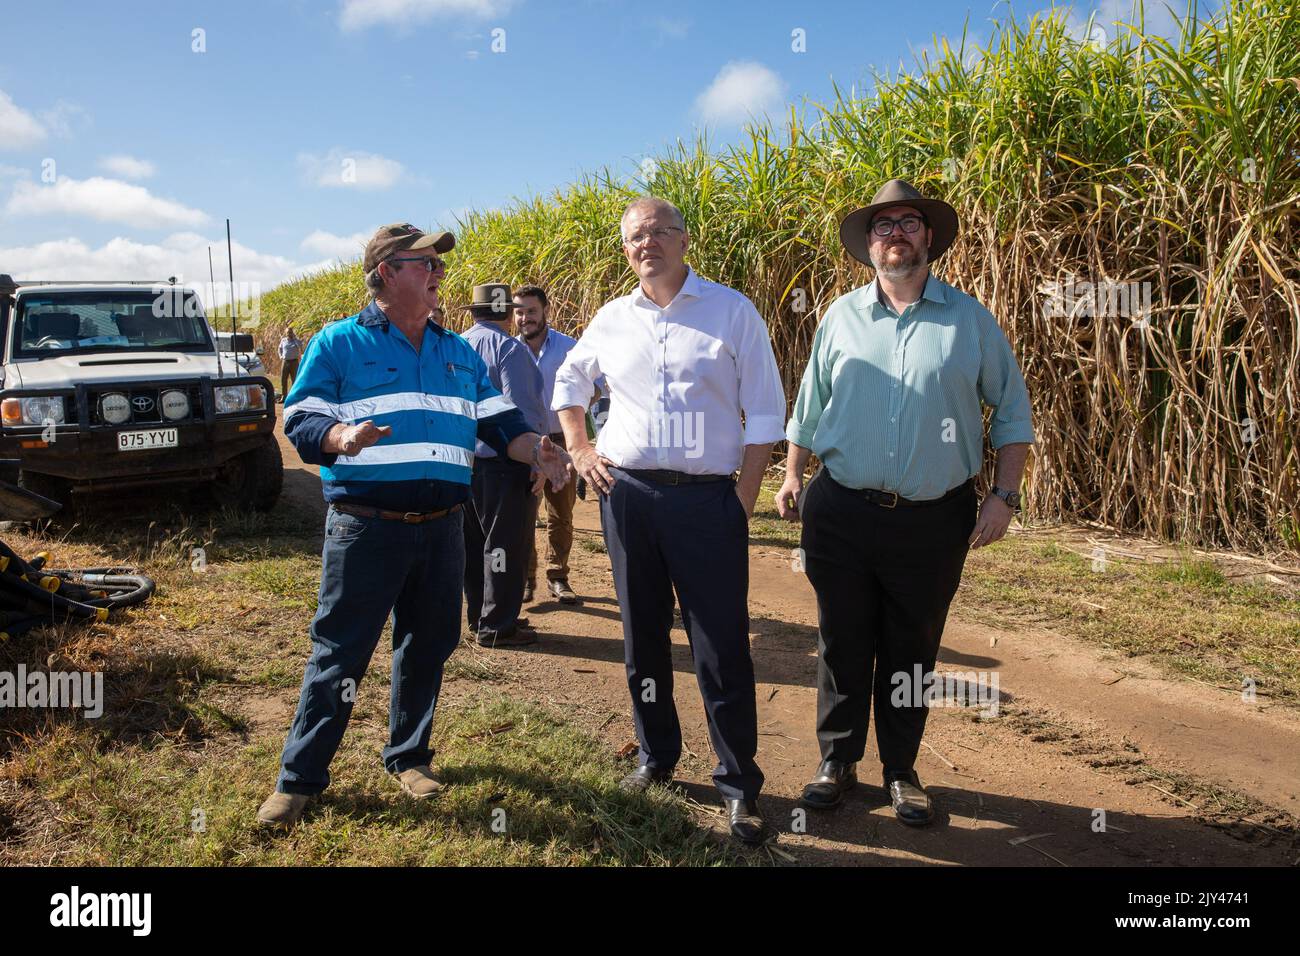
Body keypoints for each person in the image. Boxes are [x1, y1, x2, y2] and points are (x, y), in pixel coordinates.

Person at [256, 224, 570, 829]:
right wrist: (338, 436)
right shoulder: (338, 344)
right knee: (340, 653)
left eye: (438, 266)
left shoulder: (457, 352)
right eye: (423, 264)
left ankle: (409, 756)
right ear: (384, 274)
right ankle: (298, 780)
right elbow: (300, 416)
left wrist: (541, 451)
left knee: (428, 646)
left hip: (444, 528)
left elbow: (502, 425)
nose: (438, 275)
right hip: (366, 529)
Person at [775, 179, 1035, 826]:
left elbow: (1012, 410)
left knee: (912, 646)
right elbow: (810, 405)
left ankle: (901, 771)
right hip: (840, 509)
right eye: (883, 224)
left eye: (909, 222)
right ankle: (837, 763)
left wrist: (1004, 495)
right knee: (841, 639)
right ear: (868, 245)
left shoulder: (968, 320)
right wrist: (791, 476)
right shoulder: (840, 316)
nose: (896, 233)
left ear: (929, 238)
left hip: (933, 516)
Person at [553, 197, 786, 847]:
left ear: (685, 240)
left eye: (659, 232)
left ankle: (739, 784)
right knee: (644, 639)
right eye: (634, 236)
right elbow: (569, 386)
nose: (646, 243)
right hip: (626, 496)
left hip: (707, 500)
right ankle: (657, 758)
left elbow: (766, 412)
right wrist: (578, 447)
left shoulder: (731, 311)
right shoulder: (611, 319)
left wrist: (742, 496)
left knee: (720, 645)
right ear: (624, 250)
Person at [460, 284, 550, 647]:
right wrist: (538, 460)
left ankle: (478, 614)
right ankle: (497, 625)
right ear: (505, 313)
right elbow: (520, 413)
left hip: (464, 463)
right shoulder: (510, 349)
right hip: (504, 462)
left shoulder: (456, 345)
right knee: (504, 545)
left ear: (474, 312)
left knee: (473, 543)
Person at [513, 284, 603, 605]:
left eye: (531, 311)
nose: (525, 318)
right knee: (523, 512)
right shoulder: (508, 350)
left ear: (546, 311)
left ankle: (558, 576)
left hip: (561, 438)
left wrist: (573, 413)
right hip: (522, 442)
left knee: (561, 512)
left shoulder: (569, 348)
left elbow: (597, 387)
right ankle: (525, 578)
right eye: (519, 312)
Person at [277, 327, 302, 402]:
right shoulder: (283, 340)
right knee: (283, 380)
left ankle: (295, 397)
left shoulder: (296, 340)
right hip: (285, 362)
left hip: (294, 362)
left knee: (295, 379)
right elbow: (279, 348)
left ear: (293, 332)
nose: (289, 334)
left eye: (290, 332)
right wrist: (280, 356)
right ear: (286, 333)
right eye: (288, 332)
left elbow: (300, 347)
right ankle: (284, 397)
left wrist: (294, 339)